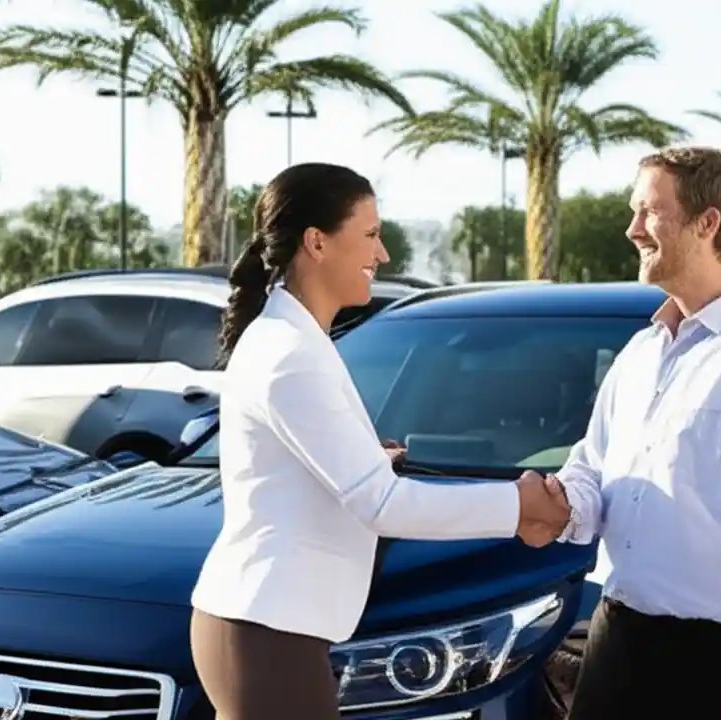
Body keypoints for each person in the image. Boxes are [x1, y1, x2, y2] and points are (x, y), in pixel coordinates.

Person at [188, 162, 570, 720]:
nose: (383, 253)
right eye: (369, 234)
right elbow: (381, 503)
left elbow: (307, 472)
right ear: (317, 242)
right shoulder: (290, 352)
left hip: (266, 629)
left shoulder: (289, 338)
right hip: (267, 633)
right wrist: (519, 504)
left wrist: (370, 460)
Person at [543, 146, 721, 720]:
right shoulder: (641, 351)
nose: (632, 230)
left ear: (707, 222)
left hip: (715, 662)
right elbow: (593, 468)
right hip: (614, 641)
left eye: (650, 212)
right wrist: (556, 502)